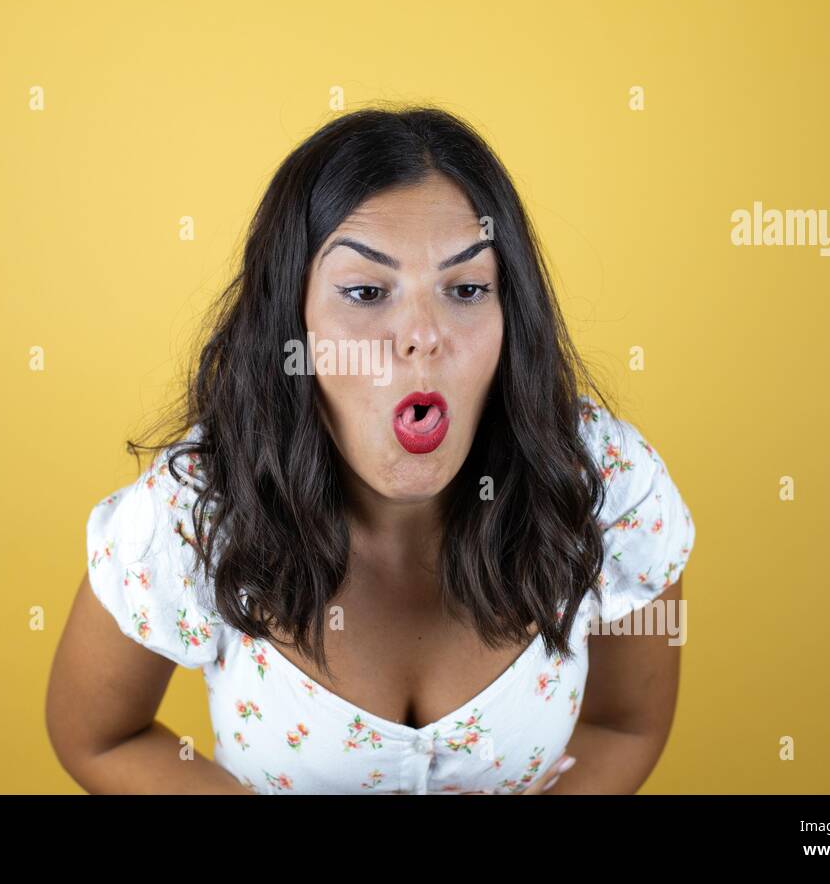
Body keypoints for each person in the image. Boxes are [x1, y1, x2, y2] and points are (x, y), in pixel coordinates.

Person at [45, 105, 696, 794]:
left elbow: (625, 725)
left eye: (467, 288)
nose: (422, 334)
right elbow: (99, 735)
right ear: (291, 325)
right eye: (364, 291)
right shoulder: (193, 510)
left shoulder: (606, 485)